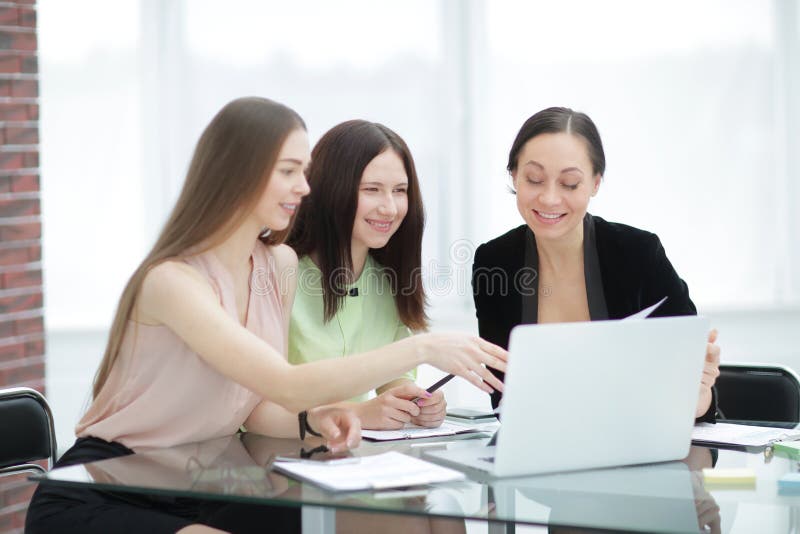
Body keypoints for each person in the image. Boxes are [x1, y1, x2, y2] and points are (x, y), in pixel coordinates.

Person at [27, 97, 507, 533]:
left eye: (305, 172)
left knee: (424, 520)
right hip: (116, 483)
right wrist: (422, 347)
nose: (304, 187)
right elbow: (283, 382)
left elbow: (255, 405)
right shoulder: (172, 282)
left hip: (213, 478)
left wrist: (319, 420)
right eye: (290, 170)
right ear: (237, 173)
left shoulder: (276, 266)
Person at [472, 107, 719, 420]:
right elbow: (502, 395)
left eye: (570, 184)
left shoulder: (638, 253)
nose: (549, 198)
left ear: (595, 183)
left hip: (637, 442)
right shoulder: (494, 262)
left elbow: (700, 400)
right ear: (514, 177)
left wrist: (697, 393)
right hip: (540, 447)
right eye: (534, 179)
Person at [287, 120, 446, 430]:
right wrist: (362, 413)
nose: (389, 208)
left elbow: (391, 379)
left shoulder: (385, 279)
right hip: (276, 453)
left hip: (354, 455)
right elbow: (262, 404)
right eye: (372, 190)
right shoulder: (280, 273)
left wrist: (414, 401)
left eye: (400, 191)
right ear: (332, 189)